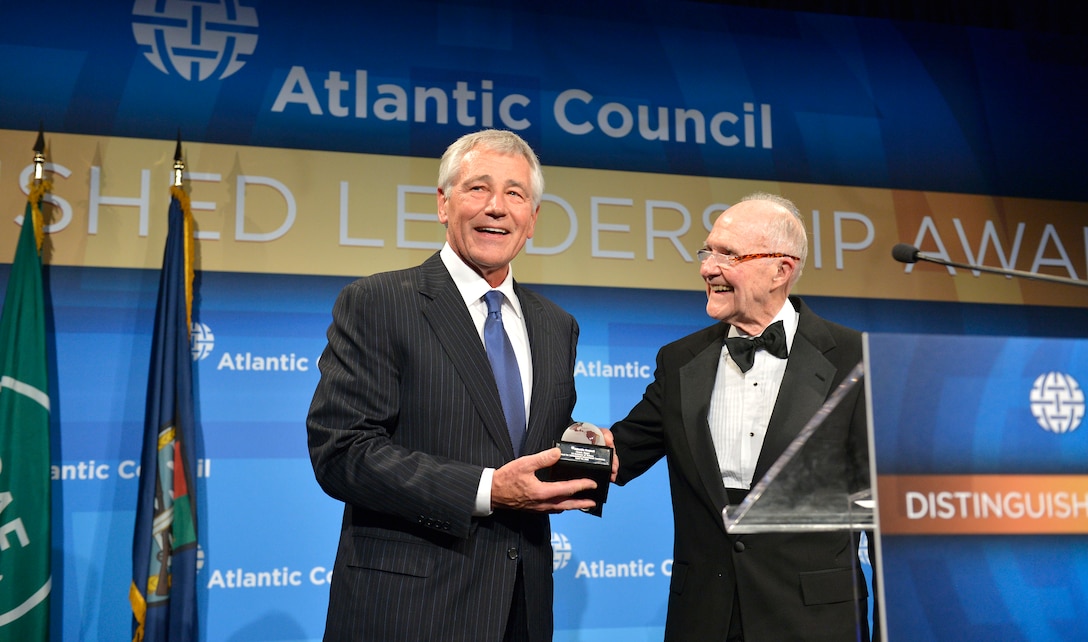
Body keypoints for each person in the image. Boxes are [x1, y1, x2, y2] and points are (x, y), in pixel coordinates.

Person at [307, 129, 603, 642]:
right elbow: (342, 453)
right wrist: (488, 489)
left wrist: (586, 452)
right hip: (407, 611)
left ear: (533, 220)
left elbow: (532, 446)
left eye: (515, 194)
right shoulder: (379, 303)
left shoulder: (557, 325)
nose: (497, 208)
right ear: (443, 204)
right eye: (477, 189)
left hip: (522, 609)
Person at [610, 193, 873, 641]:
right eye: (707, 252)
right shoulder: (679, 360)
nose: (707, 268)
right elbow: (623, 451)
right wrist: (557, 447)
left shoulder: (856, 359)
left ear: (781, 270)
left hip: (814, 621)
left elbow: (882, 509)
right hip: (706, 617)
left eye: (728, 254)